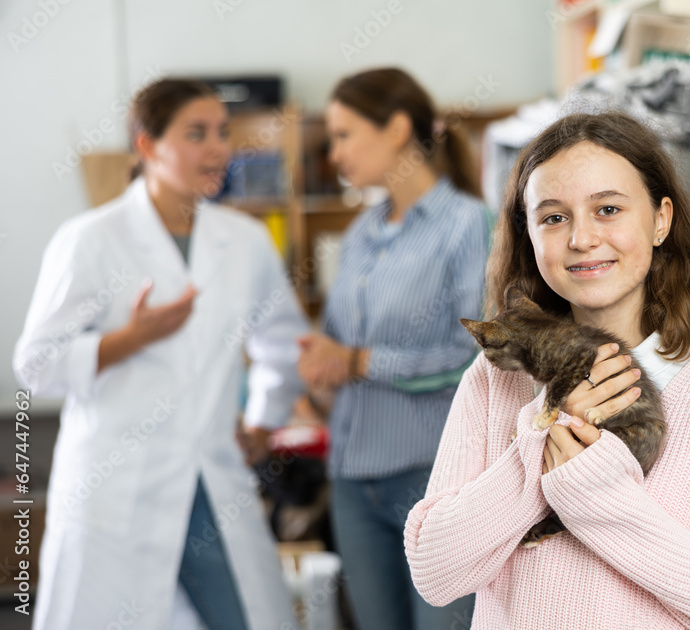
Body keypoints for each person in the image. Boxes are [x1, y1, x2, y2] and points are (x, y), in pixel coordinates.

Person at [403, 111, 690, 629]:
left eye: (607, 209)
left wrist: (595, 495)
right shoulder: (497, 376)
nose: (582, 239)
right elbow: (436, 573)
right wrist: (538, 445)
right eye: (553, 217)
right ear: (530, 235)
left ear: (661, 220)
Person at [14, 78, 307, 630]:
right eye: (196, 133)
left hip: (213, 478)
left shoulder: (243, 241)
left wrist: (265, 423)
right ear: (147, 146)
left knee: (249, 616)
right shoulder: (90, 239)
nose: (218, 147)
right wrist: (130, 338)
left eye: (222, 132)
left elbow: (285, 345)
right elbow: (35, 364)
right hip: (115, 490)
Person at [296, 68, 485, 630]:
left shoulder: (469, 225)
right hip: (351, 479)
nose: (334, 154)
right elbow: (338, 342)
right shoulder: (360, 233)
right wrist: (321, 367)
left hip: (430, 477)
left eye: (344, 135)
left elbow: (476, 357)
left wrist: (361, 362)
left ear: (398, 128)